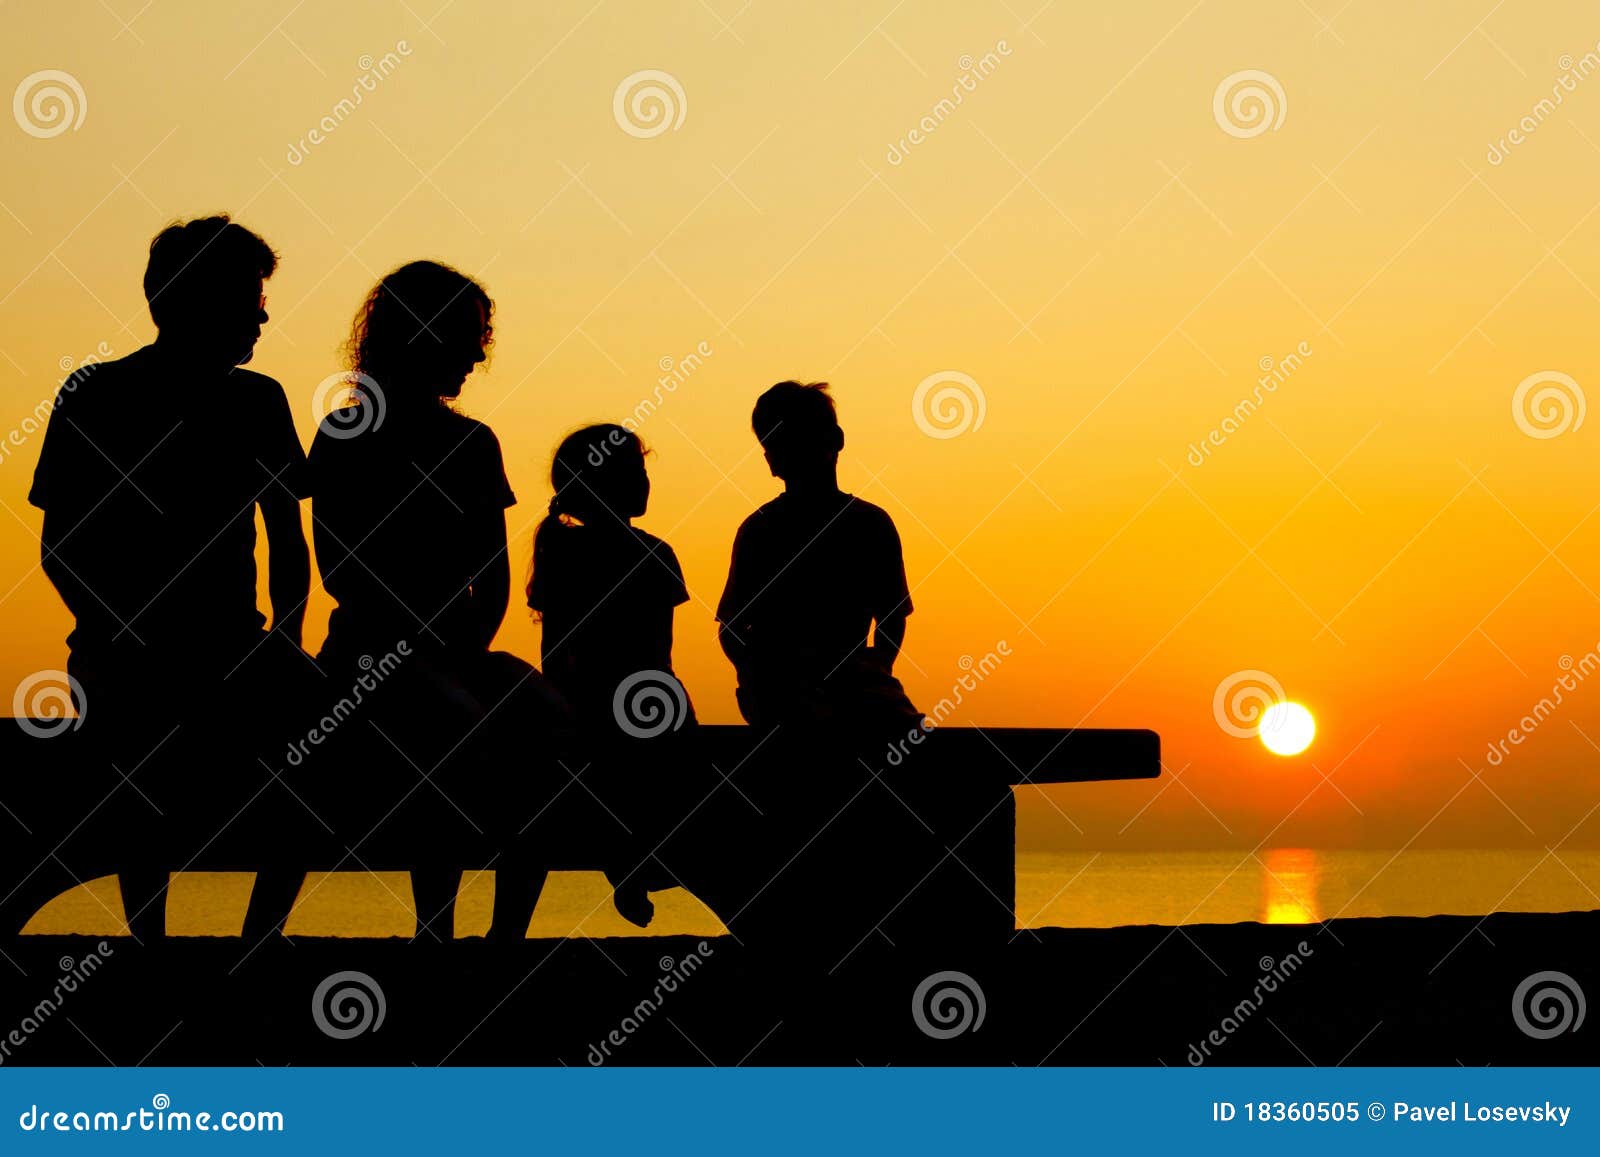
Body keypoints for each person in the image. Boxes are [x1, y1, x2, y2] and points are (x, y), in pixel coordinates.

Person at [28, 215, 314, 944]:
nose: (262, 317)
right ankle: (165, 940)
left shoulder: (257, 400)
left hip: (224, 647)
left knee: (322, 738)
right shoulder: (96, 394)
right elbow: (61, 546)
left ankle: (250, 940)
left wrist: (284, 640)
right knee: (143, 766)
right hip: (128, 651)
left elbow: (288, 541)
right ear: (188, 299)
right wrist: (121, 634)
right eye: (249, 300)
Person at [307, 260, 568, 944]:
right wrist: (427, 648)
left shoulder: (474, 443)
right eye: (466, 336)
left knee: (551, 719)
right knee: (456, 723)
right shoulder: (344, 434)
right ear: (420, 335)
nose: (478, 355)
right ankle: (437, 929)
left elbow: (494, 574)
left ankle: (507, 935)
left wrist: (466, 647)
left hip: (457, 649)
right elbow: (340, 569)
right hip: (369, 653)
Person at [526, 424, 696, 926]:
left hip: (590, 699)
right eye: (634, 471)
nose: (645, 482)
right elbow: (658, 652)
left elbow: (555, 650)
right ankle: (633, 862)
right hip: (631, 699)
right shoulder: (654, 553)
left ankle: (628, 863)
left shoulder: (564, 551)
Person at [717, 380, 920, 736]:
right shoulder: (760, 530)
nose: (788, 451)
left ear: (835, 439)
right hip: (780, 686)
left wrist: (876, 668)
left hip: (855, 682)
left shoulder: (870, 524)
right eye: (777, 443)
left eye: (799, 438)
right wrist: (757, 672)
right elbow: (731, 626)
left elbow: (892, 616)